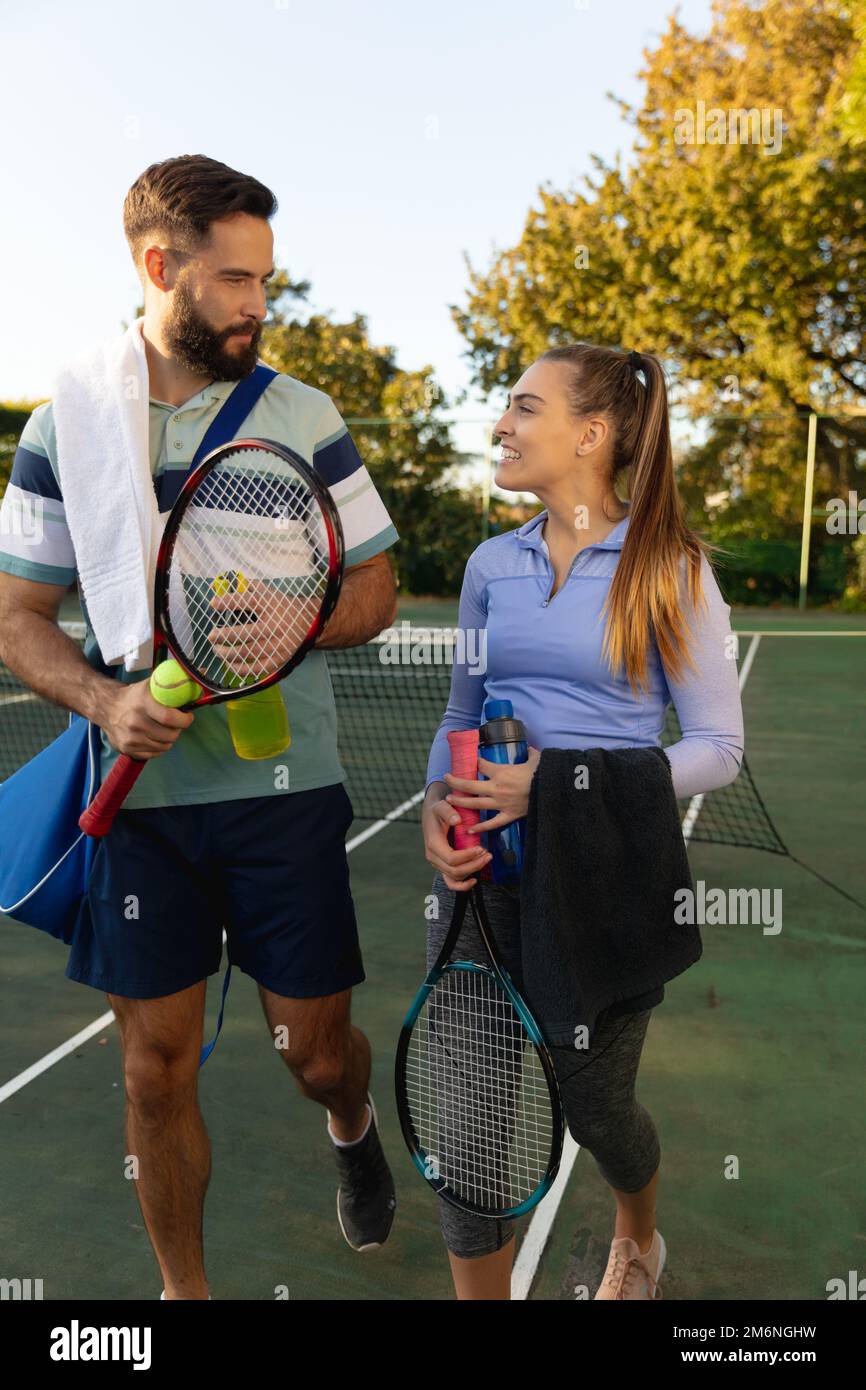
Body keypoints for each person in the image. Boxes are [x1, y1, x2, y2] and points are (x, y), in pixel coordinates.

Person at [0, 154, 399, 1299]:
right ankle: (187, 1296)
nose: (257, 305)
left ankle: (350, 1118)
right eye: (233, 280)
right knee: (154, 1070)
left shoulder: (302, 413)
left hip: (285, 792)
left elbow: (373, 592)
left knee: (312, 1051)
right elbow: (18, 618)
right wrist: (104, 698)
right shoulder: (62, 424)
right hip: (145, 805)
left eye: (266, 279)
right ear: (157, 264)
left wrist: (284, 622)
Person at [421, 343, 744, 1300]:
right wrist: (440, 808)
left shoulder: (671, 569)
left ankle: (636, 1237)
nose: (500, 427)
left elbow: (720, 746)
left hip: (605, 886)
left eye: (524, 407)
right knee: (470, 1133)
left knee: (597, 1107)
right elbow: (457, 716)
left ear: (592, 435)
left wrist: (560, 786)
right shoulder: (491, 565)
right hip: (482, 884)